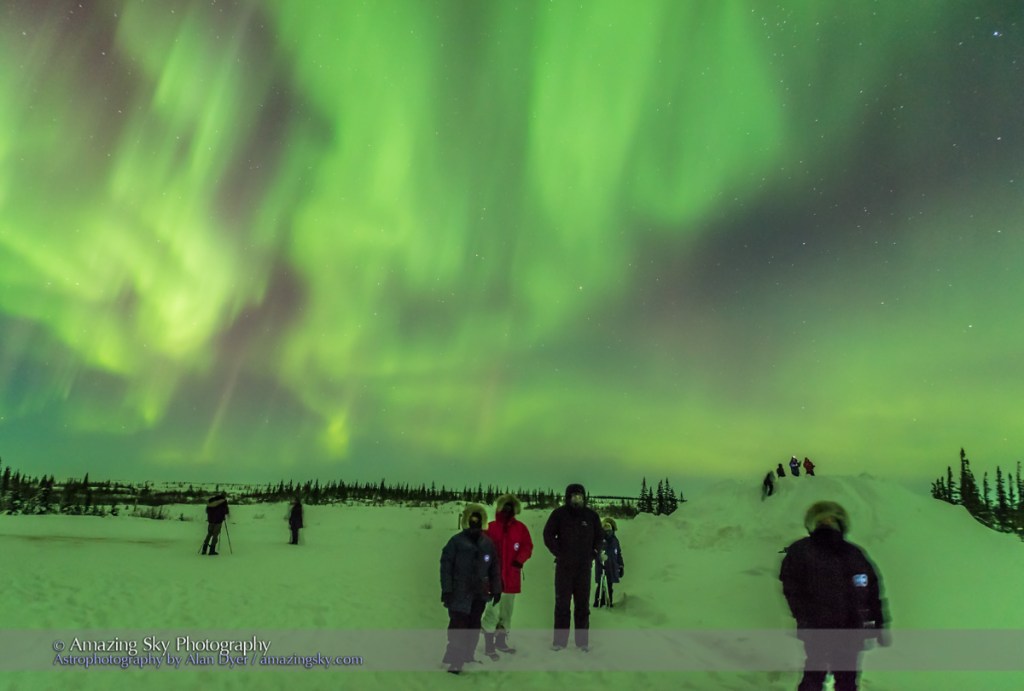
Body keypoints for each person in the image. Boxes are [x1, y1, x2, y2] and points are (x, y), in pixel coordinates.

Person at [780, 501, 890, 691]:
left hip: (850, 629)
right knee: (814, 675)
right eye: (822, 520)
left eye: (831, 520)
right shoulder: (802, 550)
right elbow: (791, 587)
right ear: (813, 523)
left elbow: (870, 590)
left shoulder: (854, 554)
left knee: (847, 679)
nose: (827, 524)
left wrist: (877, 622)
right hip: (817, 628)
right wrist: (805, 615)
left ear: (840, 523)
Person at [440, 503, 501, 674]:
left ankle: (468, 655)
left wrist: (496, 588)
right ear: (467, 521)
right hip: (459, 593)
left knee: (474, 626)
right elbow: (446, 567)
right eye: (472, 520)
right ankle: (455, 660)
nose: (475, 523)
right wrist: (447, 589)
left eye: (478, 520)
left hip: (479, 594)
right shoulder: (456, 542)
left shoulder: (487, 543)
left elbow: (494, 567)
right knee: (458, 627)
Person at [543, 483, 604, 651]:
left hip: (584, 568)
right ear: (568, 497)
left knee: (582, 606)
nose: (577, 499)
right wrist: (558, 552)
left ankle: (582, 642)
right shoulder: (559, 514)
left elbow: (599, 537)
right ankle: (559, 642)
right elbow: (548, 534)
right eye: (574, 496)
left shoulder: (591, 516)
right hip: (564, 567)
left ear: (584, 497)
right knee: (562, 605)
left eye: (580, 496)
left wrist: (594, 552)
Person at [481, 493, 533, 659]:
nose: (507, 511)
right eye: (505, 507)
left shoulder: (521, 528)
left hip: (511, 577)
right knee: (492, 611)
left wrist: (519, 560)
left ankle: (501, 641)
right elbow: (481, 548)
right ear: (500, 508)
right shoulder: (490, 527)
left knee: (506, 612)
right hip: (493, 579)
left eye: (511, 508)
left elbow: (527, 546)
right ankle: (489, 645)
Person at [593, 517, 624, 607]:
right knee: (601, 586)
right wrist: (600, 557)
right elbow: (595, 551)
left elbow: (618, 554)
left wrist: (621, 566)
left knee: (609, 586)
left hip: (612, 567)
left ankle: (608, 603)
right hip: (602, 567)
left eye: (609, 527)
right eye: (605, 527)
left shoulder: (615, 540)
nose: (607, 530)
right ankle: (598, 603)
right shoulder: (599, 539)